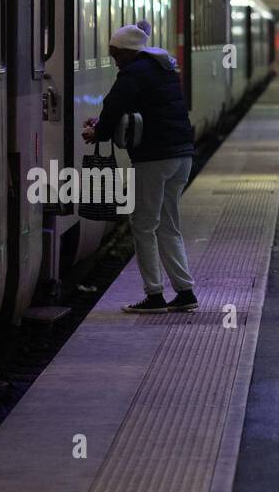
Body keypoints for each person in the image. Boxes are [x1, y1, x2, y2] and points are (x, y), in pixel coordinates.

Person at [83, 20, 198, 314]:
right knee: (168, 224)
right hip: (181, 155)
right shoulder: (163, 68)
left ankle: (154, 295)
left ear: (126, 51)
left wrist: (98, 131)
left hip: (154, 158)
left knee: (144, 225)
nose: (113, 60)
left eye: (114, 54)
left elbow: (113, 106)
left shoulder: (132, 72)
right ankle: (184, 291)